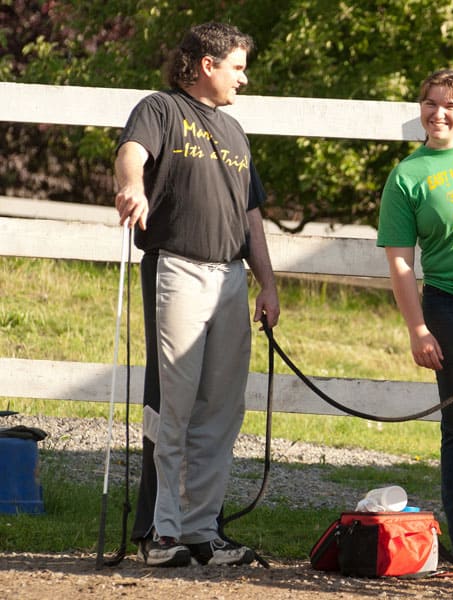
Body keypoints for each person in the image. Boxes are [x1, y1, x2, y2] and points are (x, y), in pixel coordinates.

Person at [114, 22, 280, 568]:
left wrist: (268, 282)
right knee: (176, 405)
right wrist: (132, 185)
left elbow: (251, 215)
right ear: (207, 65)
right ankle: (162, 533)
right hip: (177, 268)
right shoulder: (160, 109)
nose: (244, 77)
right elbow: (133, 152)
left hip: (231, 278)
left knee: (222, 410)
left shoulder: (235, 132)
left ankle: (202, 531)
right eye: (237, 66)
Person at [376, 69, 453, 572]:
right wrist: (418, 328)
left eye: (450, 104)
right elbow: (402, 263)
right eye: (429, 103)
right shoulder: (407, 176)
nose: (438, 112)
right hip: (450, 304)